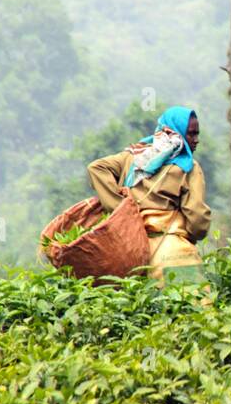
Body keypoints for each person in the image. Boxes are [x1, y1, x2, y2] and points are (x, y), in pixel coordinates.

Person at [87, 106, 211, 283]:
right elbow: (197, 218)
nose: (196, 140)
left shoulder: (133, 158)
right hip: (172, 252)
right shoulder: (188, 167)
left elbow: (96, 168)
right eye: (191, 134)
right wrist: (193, 234)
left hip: (131, 253)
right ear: (176, 133)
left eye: (197, 134)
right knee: (191, 303)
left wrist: (121, 210)